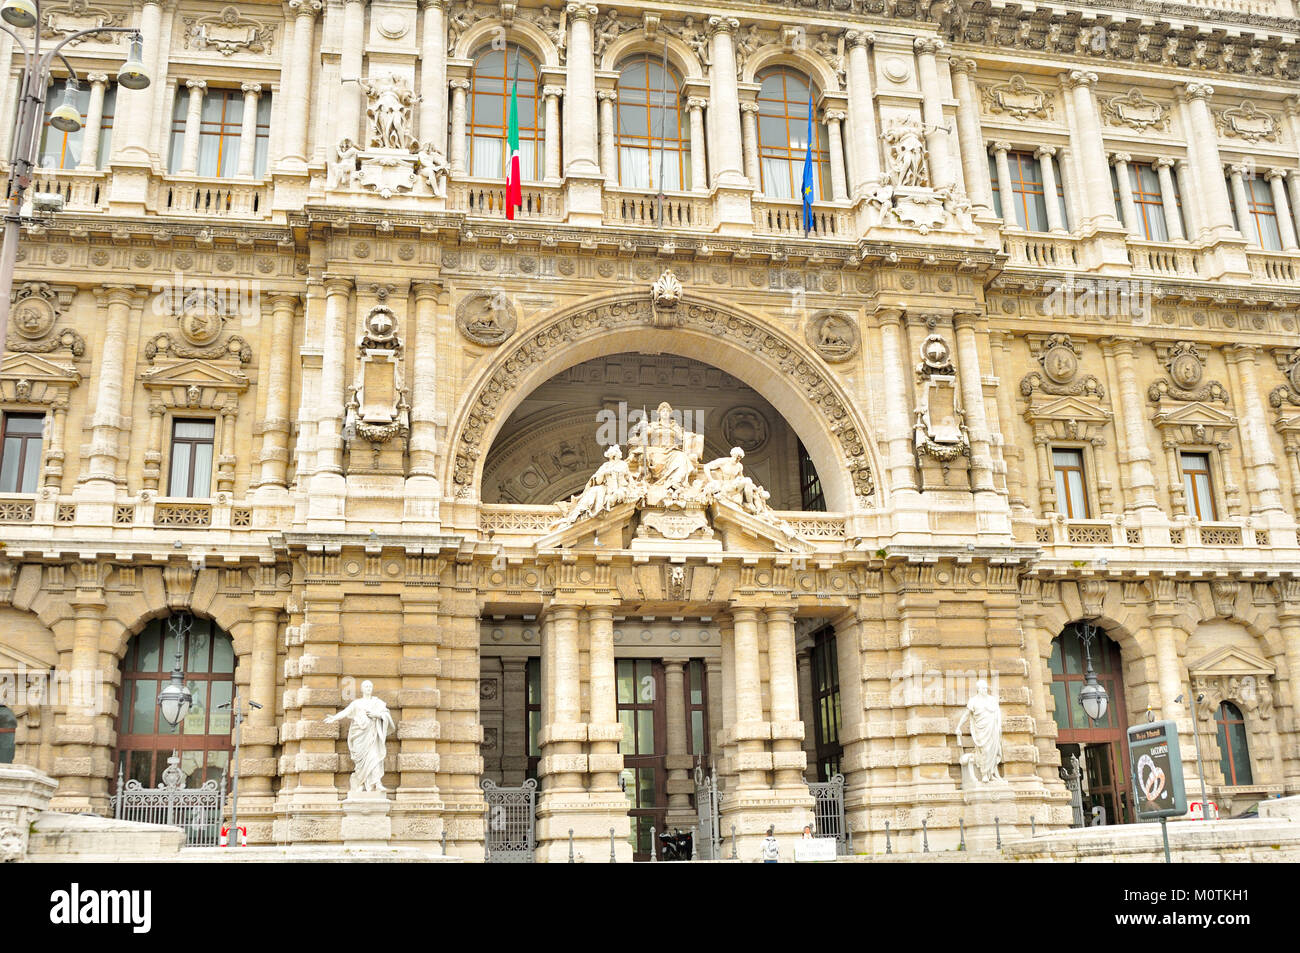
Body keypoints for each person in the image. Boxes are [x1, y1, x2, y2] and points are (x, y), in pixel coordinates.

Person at [325, 680, 397, 792]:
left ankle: (377, 783)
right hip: (359, 736)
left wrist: (377, 715)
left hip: (373, 735)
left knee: (375, 757)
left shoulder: (377, 703)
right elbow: (345, 712)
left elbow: (386, 715)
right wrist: (334, 718)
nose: (368, 688)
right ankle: (360, 784)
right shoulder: (357, 703)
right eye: (366, 686)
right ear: (362, 689)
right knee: (360, 762)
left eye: (370, 686)